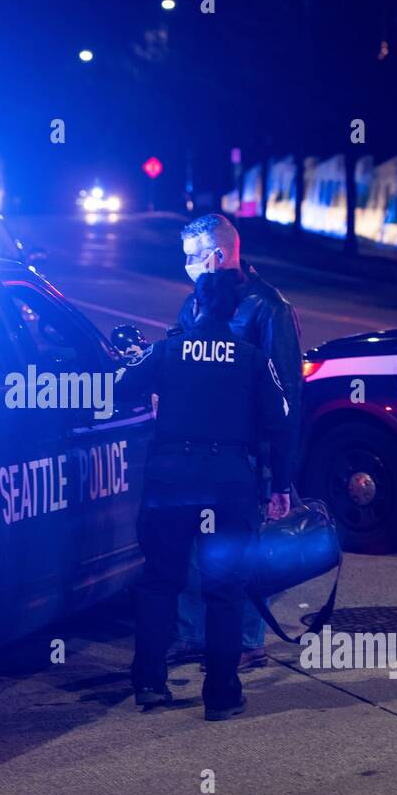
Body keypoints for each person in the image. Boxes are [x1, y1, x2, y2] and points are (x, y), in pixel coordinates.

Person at [116, 270, 289, 720]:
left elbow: (118, 389)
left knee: (160, 582)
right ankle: (221, 695)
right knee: (225, 591)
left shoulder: (167, 351)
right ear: (232, 314)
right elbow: (281, 423)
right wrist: (281, 485)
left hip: (170, 481)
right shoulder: (252, 358)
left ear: (195, 307)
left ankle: (151, 684)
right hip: (229, 483)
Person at [172, 213, 302, 667]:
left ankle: (248, 642)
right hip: (194, 450)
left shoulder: (269, 309)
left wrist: (280, 480)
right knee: (191, 544)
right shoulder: (195, 303)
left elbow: (287, 397)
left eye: (193, 256)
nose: (187, 265)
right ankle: (191, 634)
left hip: (244, 457)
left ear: (218, 254)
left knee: (239, 550)